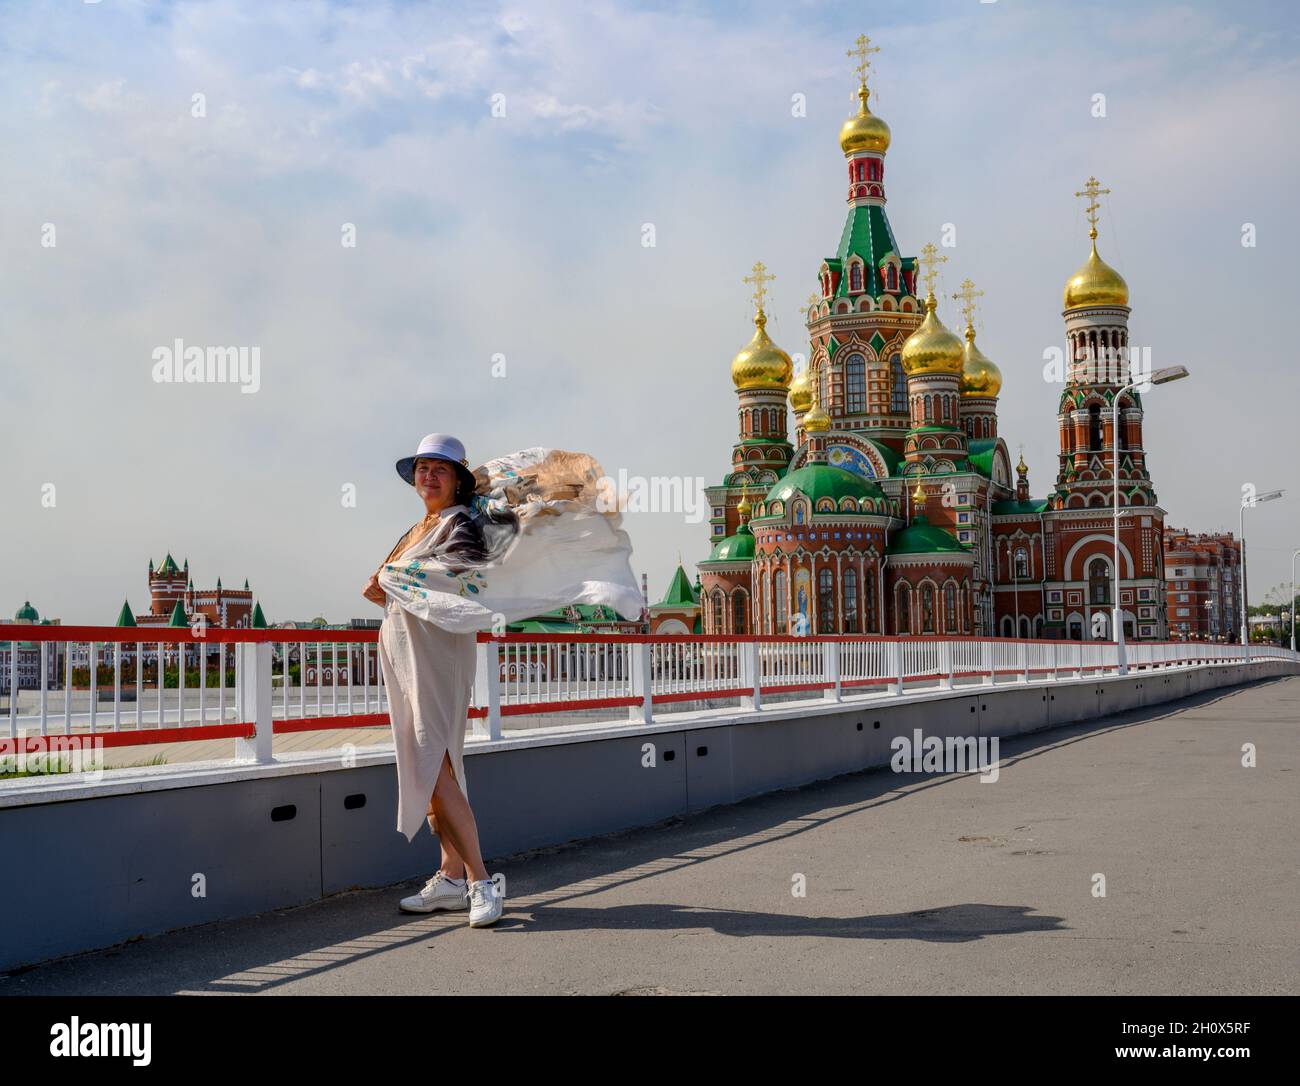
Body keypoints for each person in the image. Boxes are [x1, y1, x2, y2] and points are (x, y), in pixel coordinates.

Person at [363, 432, 504, 928]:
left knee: (435, 763)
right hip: (406, 657)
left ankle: (480, 881)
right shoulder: (419, 527)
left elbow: (465, 580)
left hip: (435, 660)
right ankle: (447, 877)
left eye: (439, 469)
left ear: (458, 481)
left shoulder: (459, 524)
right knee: (426, 768)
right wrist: (391, 581)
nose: (428, 475)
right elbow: (391, 585)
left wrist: (399, 578)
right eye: (422, 468)